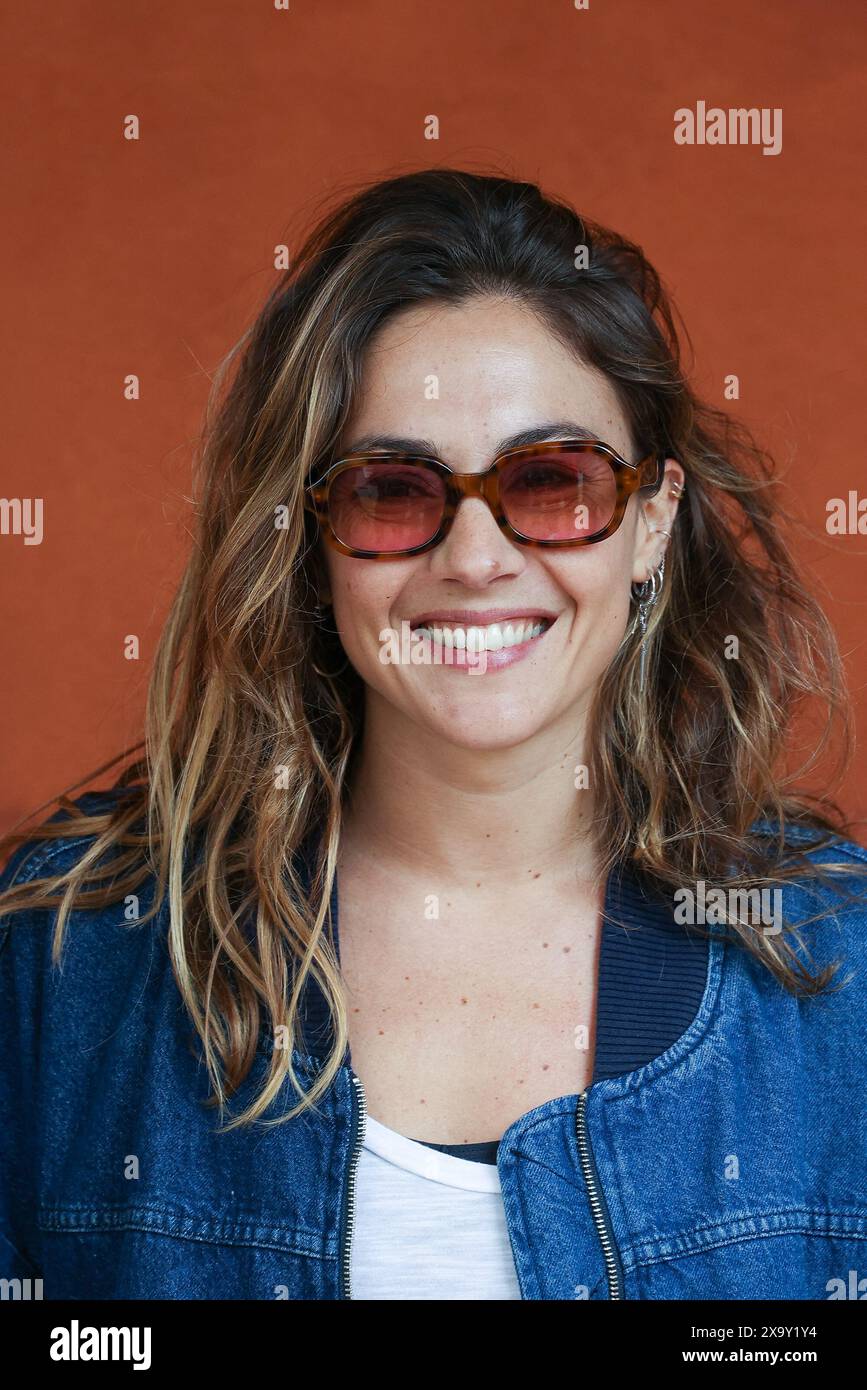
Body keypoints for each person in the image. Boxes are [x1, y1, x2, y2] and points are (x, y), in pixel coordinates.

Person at [2, 167, 866, 1302]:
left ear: (651, 522)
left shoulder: (839, 976)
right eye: (393, 488)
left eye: (553, 480)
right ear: (307, 540)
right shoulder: (71, 962)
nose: (473, 558)